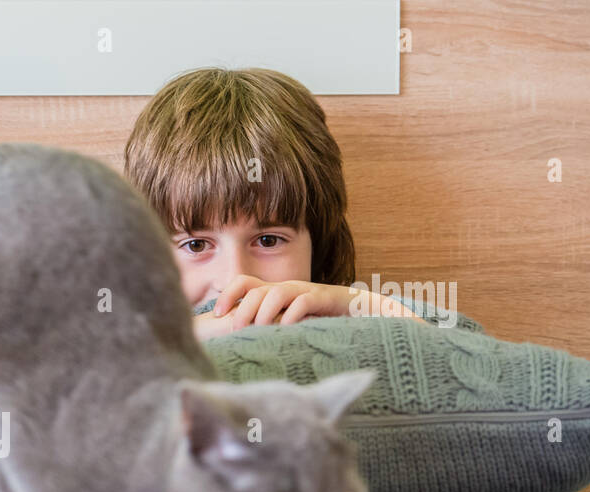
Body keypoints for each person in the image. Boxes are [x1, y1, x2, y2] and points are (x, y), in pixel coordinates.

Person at [124, 67, 426, 340]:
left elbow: (463, 368)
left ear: (318, 248)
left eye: (268, 241)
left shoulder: (359, 324)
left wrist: (368, 307)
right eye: (197, 245)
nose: (234, 280)